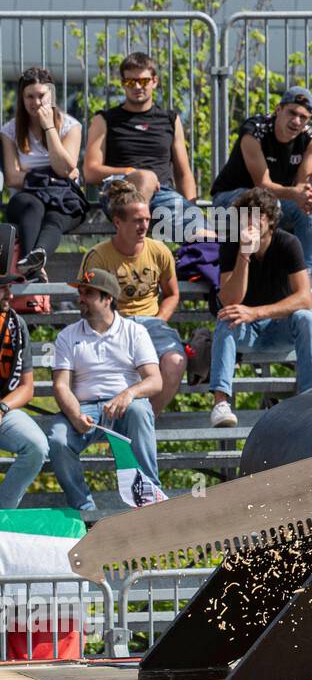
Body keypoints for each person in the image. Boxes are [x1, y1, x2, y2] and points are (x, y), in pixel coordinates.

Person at [48, 269, 163, 512]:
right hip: (85, 408)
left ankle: (149, 500)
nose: (81, 298)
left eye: (88, 293)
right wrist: (74, 414)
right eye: (81, 293)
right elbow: (60, 385)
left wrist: (128, 394)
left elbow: (155, 381)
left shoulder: (135, 332)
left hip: (125, 407)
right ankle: (84, 509)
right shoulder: (67, 336)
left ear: (107, 298)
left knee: (140, 412)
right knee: (58, 438)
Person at [209, 87, 312, 307]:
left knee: (308, 208)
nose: (296, 121)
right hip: (230, 200)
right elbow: (262, 185)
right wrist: (296, 194)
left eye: (303, 117)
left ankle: (307, 282)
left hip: (272, 202)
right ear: (278, 109)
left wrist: (306, 197)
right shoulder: (254, 131)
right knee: (269, 205)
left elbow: (302, 185)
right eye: (291, 113)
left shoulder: (311, 135)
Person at [208, 188, 312, 428]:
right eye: (244, 216)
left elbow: (304, 298)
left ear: (269, 220)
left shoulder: (288, 243)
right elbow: (230, 299)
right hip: (246, 331)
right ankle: (221, 402)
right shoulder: (231, 245)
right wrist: (244, 255)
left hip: (280, 328)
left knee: (306, 318)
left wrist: (256, 312)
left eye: (256, 216)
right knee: (226, 317)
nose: (249, 222)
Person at [79, 182, 187, 416]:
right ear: (118, 222)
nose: (144, 225)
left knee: (175, 361)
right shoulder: (98, 256)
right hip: (113, 325)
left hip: (151, 322)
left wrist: (159, 319)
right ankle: (128, 424)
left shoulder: (159, 251)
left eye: (147, 219)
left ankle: (144, 420)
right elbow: (88, 302)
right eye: (137, 220)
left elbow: (172, 294)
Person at [82, 52, 205, 246]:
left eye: (143, 81)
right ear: (123, 84)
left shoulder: (170, 120)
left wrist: (191, 207)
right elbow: (90, 172)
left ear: (154, 81)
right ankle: (134, 245)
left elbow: (183, 173)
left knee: (207, 236)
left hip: (163, 194)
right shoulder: (104, 119)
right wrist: (130, 172)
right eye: (130, 82)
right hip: (118, 191)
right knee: (145, 177)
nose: (137, 87)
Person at [1, 66, 84, 271]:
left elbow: (64, 169)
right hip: (26, 199)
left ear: (51, 95)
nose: (36, 103)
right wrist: (53, 177)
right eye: (29, 96)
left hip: (64, 200)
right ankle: (33, 264)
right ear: (22, 98)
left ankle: (34, 262)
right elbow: (12, 178)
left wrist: (49, 128)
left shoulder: (70, 126)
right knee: (34, 205)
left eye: (41, 96)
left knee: (54, 219)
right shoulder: (10, 130)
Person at [0, 273, 49, 507]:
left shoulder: (16, 324)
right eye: (3, 288)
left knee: (37, 446)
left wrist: (2, 407)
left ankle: (3, 514)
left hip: (3, 408)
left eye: (9, 287)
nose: (10, 294)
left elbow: (26, 388)